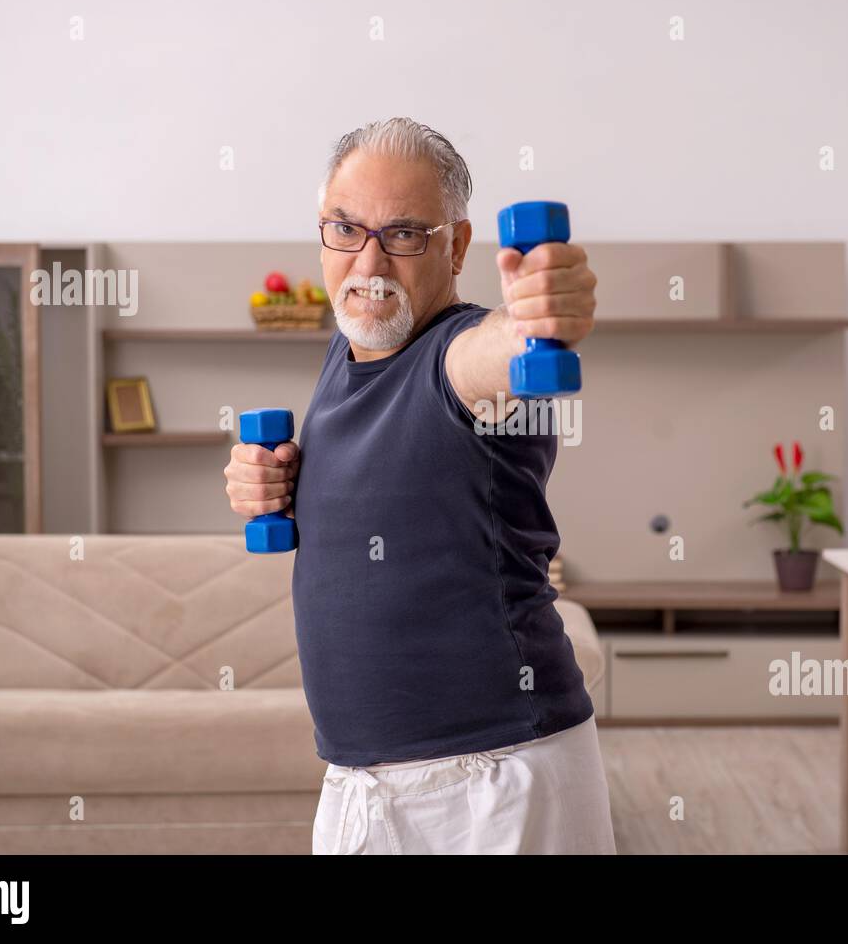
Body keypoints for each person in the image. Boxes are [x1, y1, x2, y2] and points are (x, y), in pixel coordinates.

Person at [223, 117, 615, 853]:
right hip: (360, 780)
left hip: (497, 779)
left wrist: (538, 319)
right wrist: (271, 480)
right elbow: (391, 478)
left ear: (457, 245)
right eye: (346, 229)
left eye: (404, 234)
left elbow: (494, 352)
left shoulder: (459, 360)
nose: (369, 260)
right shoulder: (346, 349)